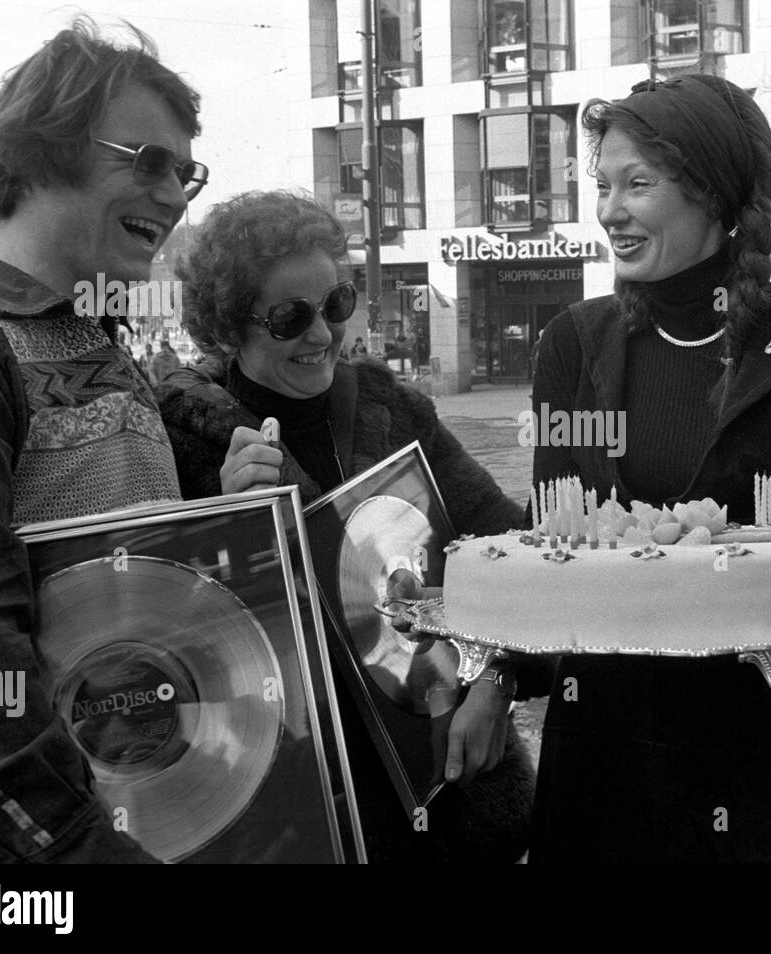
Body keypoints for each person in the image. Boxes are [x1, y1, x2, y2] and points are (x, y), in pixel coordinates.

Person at [528, 76, 771, 862]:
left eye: (638, 185)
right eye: (603, 186)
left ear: (714, 194)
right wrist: (491, 676)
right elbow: (549, 545)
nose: (610, 210)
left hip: (751, 760)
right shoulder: (572, 343)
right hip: (599, 755)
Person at [157, 190, 539, 862]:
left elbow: (510, 554)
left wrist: (496, 679)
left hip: (449, 792)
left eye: (337, 302)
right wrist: (228, 524)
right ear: (227, 325)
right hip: (306, 812)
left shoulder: (393, 409)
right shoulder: (191, 440)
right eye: (289, 317)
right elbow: (183, 656)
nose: (323, 333)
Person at [0, 20, 204, 863]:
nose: (175, 193)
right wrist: (83, 849)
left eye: (185, 172)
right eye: (147, 161)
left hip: (160, 797)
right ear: (41, 151)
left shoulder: (108, 335)